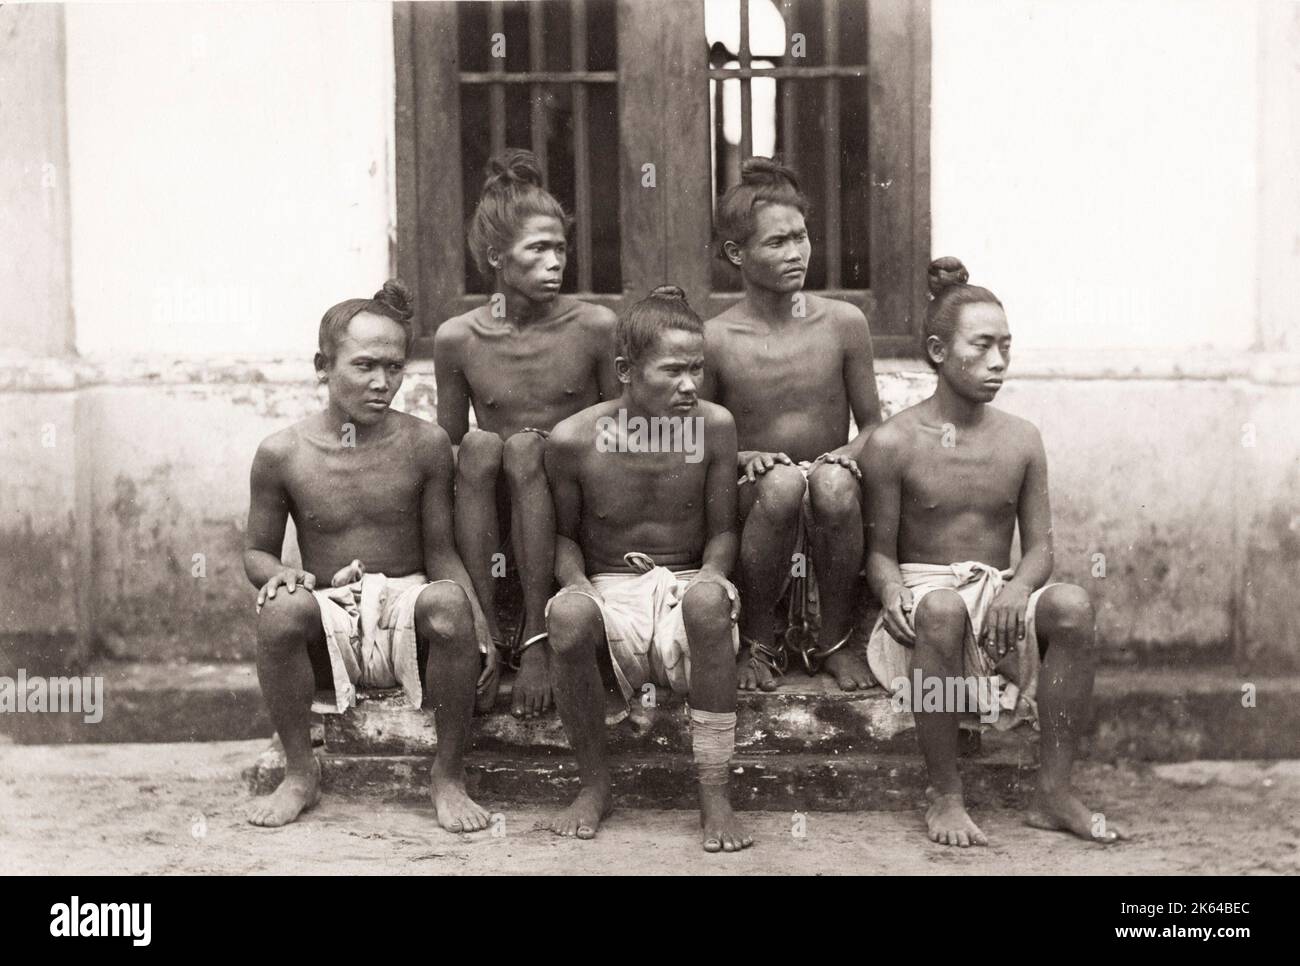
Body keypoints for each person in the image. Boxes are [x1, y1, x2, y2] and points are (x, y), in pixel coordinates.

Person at [863, 257, 1122, 846]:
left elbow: (1041, 549)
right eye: (981, 347)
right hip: (926, 611)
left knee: (1074, 606)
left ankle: (1053, 792)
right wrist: (891, 589)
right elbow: (877, 553)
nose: (998, 362)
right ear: (936, 351)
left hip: (998, 597)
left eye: (1006, 346)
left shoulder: (1022, 438)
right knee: (943, 610)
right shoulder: (893, 442)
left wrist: (1019, 587)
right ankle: (945, 795)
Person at [244, 279, 493, 832]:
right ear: (323, 365)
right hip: (331, 606)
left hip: (406, 605)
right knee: (280, 609)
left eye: (395, 367)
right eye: (364, 366)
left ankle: (447, 777)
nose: (383, 384)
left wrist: (480, 626)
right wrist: (286, 576)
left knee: (449, 603)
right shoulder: (282, 453)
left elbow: (441, 551)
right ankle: (300, 774)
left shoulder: (424, 443)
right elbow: (256, 553)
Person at [542, 286, 752, 852]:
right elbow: (562, 537)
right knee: (566, 615)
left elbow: (724, 532)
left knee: (709, 600)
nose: (689, 386)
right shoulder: (574, 439)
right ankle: (594, 783)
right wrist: (578, 587)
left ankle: (714, 792)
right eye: (673, 371)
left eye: (697, 370)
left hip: (685, 581)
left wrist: (711, 574)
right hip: (611, 588)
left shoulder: (714, 427)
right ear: (625, 371)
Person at [435, 148, 618, 718]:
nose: (554, 262)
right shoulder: (457, 338)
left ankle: (537, 637)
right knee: (485, 444)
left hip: (571, 499)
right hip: (496, 506)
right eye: (537, 249)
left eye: (560, 248)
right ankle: (484, 634)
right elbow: (449, 447)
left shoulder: (594, 326)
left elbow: (620, 430)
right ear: (496, 256)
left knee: (521, 447)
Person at [703, 158, 881, 692]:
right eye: (776, 243)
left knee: (830, 484)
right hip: (756, 491)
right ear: (737, 254)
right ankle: (758, 638)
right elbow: (700, 436)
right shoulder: (716, 338)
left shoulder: (844, 323)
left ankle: (835, 640)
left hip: (833, 482)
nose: (796, 253)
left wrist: (847, 453)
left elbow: (874, 425)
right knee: (781, 486)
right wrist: (741, 458)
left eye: (801, 238)